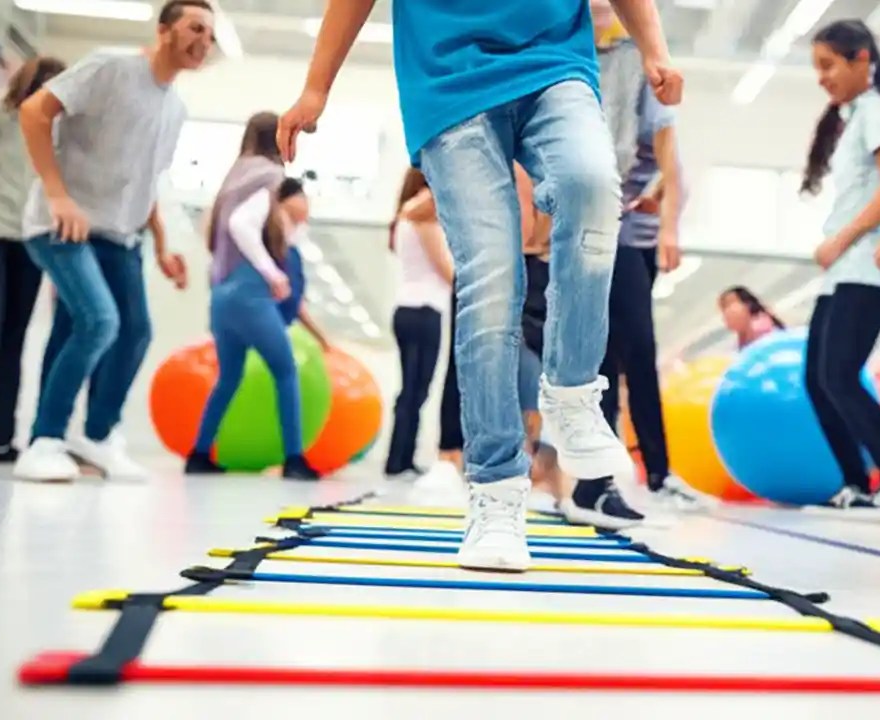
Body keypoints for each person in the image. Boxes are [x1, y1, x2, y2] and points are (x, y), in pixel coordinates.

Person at [278, 0, 681, 571]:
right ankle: (495, 496)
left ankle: (570, 394)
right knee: (493, 278)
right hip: (449, 79)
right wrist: (317, 87)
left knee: (591, 185)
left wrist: (655, 50)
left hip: (554, 65)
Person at [14, 0, 210, 482]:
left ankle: (96, 437)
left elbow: (144, 183)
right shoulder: (111, 67)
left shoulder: (175, 108)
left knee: (135, 330)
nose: (204, 41)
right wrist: (59, 197)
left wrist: (162, 246)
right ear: (164, 30)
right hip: (62, 224)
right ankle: (45, 440)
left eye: (210, 35)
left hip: (119, 234)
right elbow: (33, 112)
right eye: (195, 28)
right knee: (99, 321)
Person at [797, 20, 880, 520]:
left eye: (829, 65)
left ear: (861, 60)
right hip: (845, 271)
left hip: (870, 266)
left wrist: (843, 238)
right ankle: (855, 483)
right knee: (817, 378)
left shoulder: (875, 109)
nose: (821, 77)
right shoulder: (855, 115)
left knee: (838, 374)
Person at [591, 5, 700, 510]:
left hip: (631, 233)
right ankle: (601, 472)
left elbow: (670, 159)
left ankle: (657, 472)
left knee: (637, 348)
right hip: (583, 229)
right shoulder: (567, 53)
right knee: (600, 355)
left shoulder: (638, 60)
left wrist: (670, 230)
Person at [186, 114, 321, 481]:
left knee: (228, 377)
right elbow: (241, 225)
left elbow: (220, 230)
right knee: (285, 370)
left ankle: (199, 454)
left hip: (222, 294)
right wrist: (273, 273)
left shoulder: (234, 176)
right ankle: (295, 459)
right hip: (250, 293)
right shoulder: (268, 176)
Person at [0, 56, 67, 465]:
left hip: (30, 239)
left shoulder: (61, 132)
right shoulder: (4, 114)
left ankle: (4, 442)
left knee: (15, 341)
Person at [384, 169, 453, 478]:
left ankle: (400, 457)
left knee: (410, 388)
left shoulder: (403, 215)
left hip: (406, 308)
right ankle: (400, 459)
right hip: (425, 310)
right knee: (416, 389)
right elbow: (444, 269)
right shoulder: (423, 214)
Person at [717, 286, 783, 350]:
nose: (726, 315)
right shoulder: (747, 331)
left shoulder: (758, 329)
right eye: (723, 310)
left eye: (729, 307)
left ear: (747, 305)